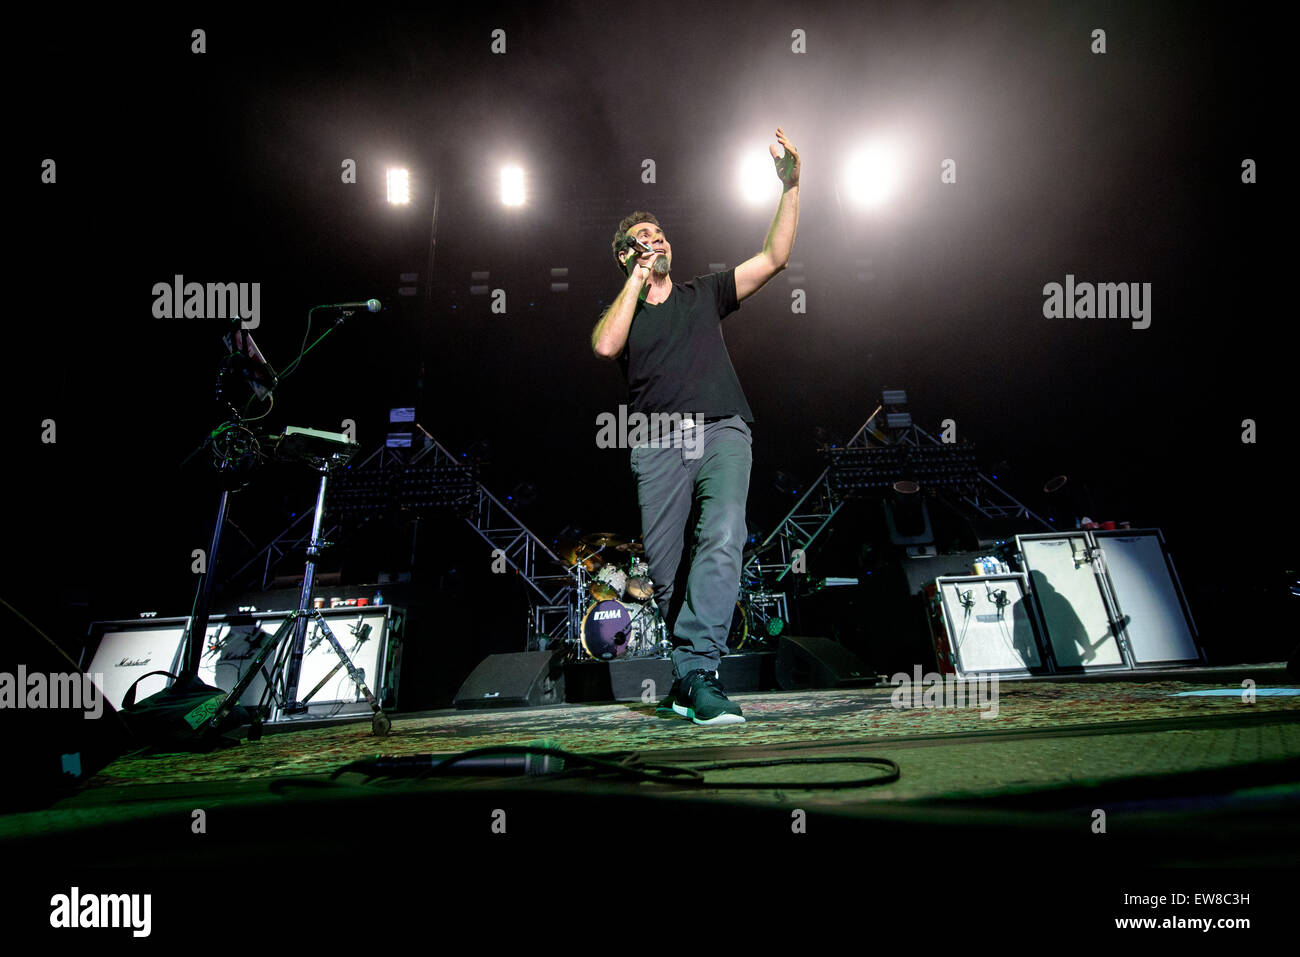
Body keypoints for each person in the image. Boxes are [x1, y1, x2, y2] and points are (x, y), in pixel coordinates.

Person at [590, 128, 800, 724]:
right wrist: (634, 278)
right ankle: (689, 680)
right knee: (665, 568)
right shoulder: (624, 312)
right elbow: (606, 347)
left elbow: (774, 258)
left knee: (725, 531)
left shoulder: (704, 293)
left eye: (659, 235)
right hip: (658, 442)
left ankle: (700, 671)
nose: (655, 242)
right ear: (626, 257)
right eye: (641, 240)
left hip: (721, 429)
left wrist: (791, 187)